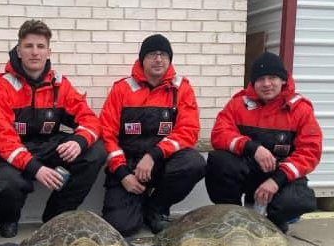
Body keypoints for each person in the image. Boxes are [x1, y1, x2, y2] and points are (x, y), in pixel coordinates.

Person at [0, 20, 106, 237]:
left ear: (48, 51)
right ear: (18, 50)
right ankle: (8, 219)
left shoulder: (59, 84)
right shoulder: (0, 86)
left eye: (40, 47)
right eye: (28, 46)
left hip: (49, 146)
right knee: (5, 181)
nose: (35, 52)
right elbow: (2, 138)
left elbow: (90, 119)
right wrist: (35, 168)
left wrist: (78, 141)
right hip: (13, 151)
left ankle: (56, 217)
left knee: (95, 151)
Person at [99, 35, 206, 235]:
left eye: (163, 54)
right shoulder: (122, 89)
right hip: (129, 165)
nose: (158, 59)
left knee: (194, 162)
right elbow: (107, 134)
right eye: (152, 55)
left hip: (162, 162)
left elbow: (188, 130)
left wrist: (154, 154)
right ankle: (138, 202)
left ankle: (156, 208)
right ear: (142, 60)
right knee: (121, 227)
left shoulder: (181, 88)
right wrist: (122, 174)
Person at [206, 51, 321, 233]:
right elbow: (219, 134)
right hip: (248, 171)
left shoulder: (300, 109)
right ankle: (232, 217)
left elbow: (310, 151)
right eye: (260, 79)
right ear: (253, 82)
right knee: (218, 161)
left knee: (299, 199)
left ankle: (274, 221)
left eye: (273, 77)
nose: (266, 84)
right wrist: (251, 147)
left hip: (280, 177)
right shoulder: (238, 104)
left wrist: (277, 180)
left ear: (283, 80)